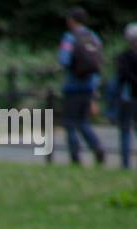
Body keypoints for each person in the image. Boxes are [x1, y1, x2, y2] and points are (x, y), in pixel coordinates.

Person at [58, 6, 105, 164]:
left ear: (72, 20)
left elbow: (64, 60)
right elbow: (98, 65)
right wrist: (95, 90)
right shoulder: (94, 38)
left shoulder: (69, 38)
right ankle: (97, 147)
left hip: (72, 87)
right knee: (83, 122)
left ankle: (75, 157)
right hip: (89, 87)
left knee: (70, 123)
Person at [115, 22, 137, 168]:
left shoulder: (124, 57)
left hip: (128, 96)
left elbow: (122, 76)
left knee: (125, 130)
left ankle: (125, 163)